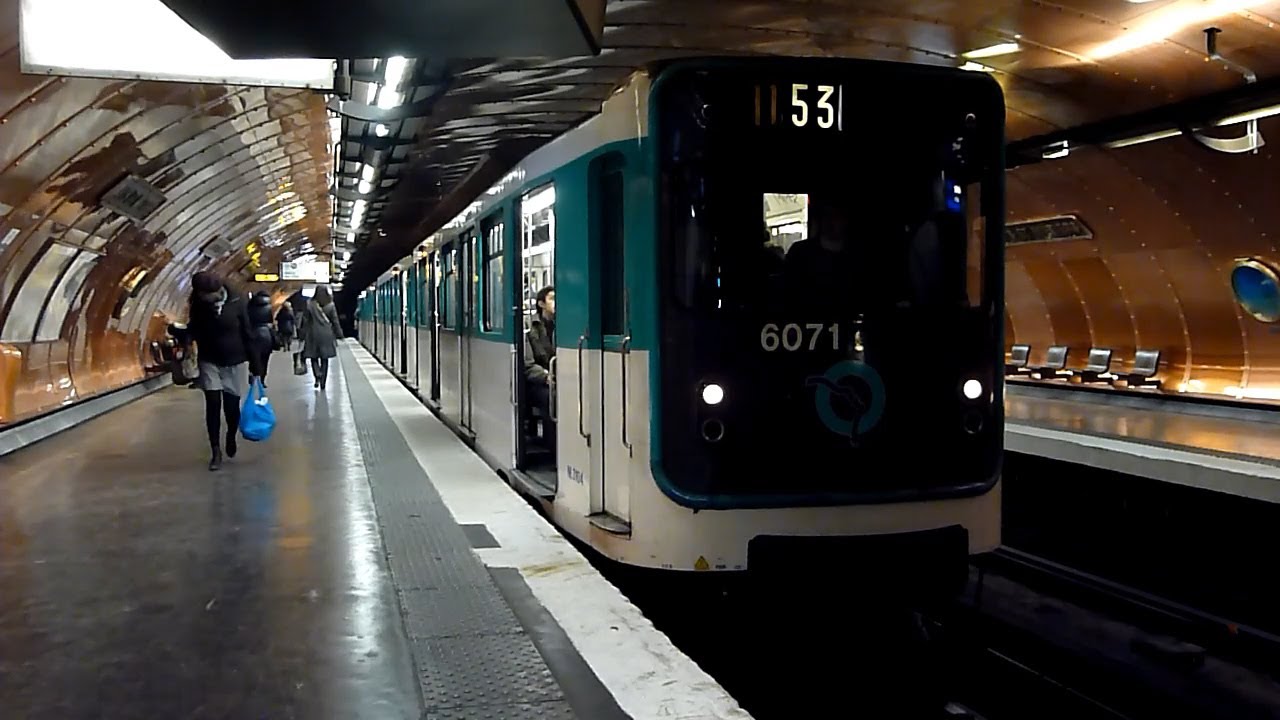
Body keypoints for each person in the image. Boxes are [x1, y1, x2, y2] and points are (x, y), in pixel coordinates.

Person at [187, 271, 260, 471]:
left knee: (231, 407)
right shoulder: (199, 306)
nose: (208, 298)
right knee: (212, 404)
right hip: (209, 359)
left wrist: (256, 366)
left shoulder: (237, 301)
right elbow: (194, 328)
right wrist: (184, 336)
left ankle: (230, 435)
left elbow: (247, 333)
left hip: (235, 360)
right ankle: (215, 451)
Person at [522, 286, 555, 438]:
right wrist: (545, 376)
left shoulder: (563, 325)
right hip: (537, 382)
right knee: (551, 396)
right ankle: (552, 443)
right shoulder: (528, 326)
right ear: (541, 304)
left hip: (559, 377)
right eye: (552, 299)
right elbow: (527, 365)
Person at [299, 285, 343, 390]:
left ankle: (317, 375)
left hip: (312, 333)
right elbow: (335, 321)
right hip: (326, 334)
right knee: (325, 359)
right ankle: (323, 382)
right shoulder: (330, 305)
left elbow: (305, 321)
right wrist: (339, 333)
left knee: (313, 357)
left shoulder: (309, 304)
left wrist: (301, 334)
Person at [246, 290, 275, 387]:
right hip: (266, 334)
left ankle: (253, 374)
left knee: (254, 357)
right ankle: (262, 379)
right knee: (265, 358)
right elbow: (271, 322)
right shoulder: (269, 307)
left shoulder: (249, 307)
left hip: (253, 333)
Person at [275, 300, 299, 373]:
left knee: (284, 337)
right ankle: (288, 345)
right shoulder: (290, 312)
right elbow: (293, 319)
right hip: (289, 327)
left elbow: (276, 318)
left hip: (282, 327)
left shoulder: (281, 312)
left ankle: (285, 346)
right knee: (289, 337)